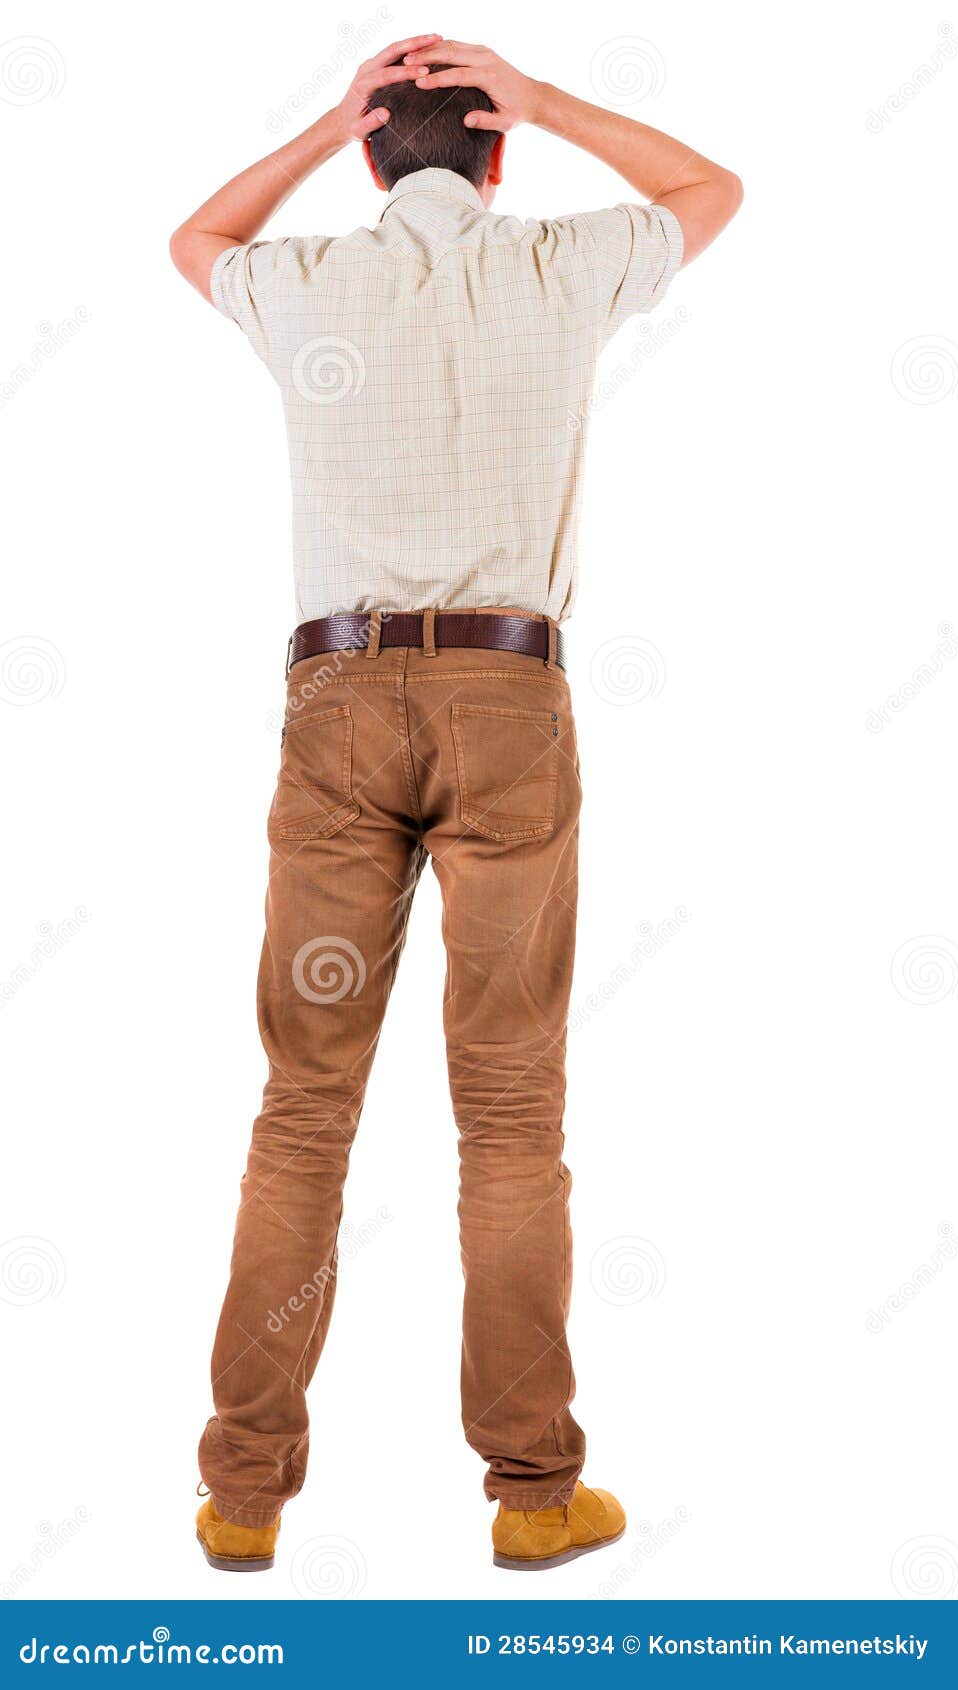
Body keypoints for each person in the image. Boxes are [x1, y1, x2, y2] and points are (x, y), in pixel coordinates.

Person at [170, 33, 742, 1574]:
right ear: (494, 155)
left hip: (337, 707)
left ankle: (243, 1492)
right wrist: (545, 100)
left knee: (303, 1114)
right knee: (508, 1117)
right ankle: (536, 1491)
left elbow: (194, 237)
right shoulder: (562, 263)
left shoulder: (303, 290)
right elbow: (710, 185)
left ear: (372, 155)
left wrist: (319, 118)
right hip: (507, 705)